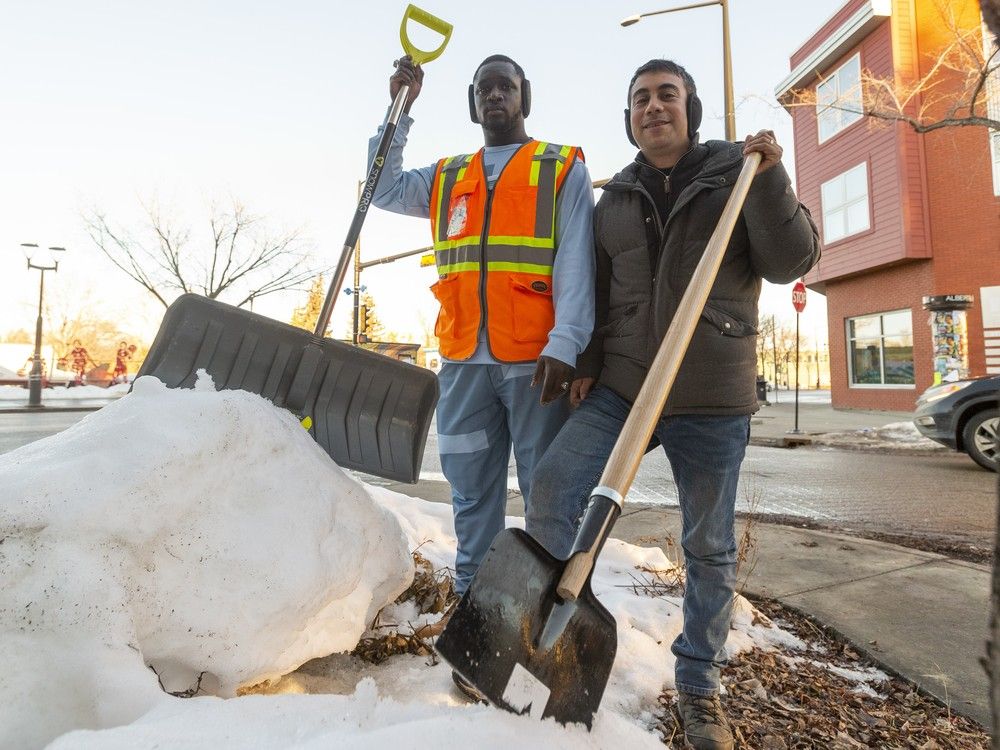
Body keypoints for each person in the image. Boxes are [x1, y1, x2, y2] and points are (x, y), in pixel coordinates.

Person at [524, 59, 820, 750]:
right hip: (626, 385)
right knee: (552, 484)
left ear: (691, 109)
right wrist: (590, 366)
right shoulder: (616, 199)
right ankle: (552, 639)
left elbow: (791, 259)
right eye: (639, 100)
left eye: (666, 96)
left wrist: (770, 176)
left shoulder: (736, 174)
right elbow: (597, 290)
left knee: (708, 545)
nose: (653, 107)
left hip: (710, 393)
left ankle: (699, 686)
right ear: (629, 118)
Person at [370, 55, 596, 605]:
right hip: (463, 362)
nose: (495, 95)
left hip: (536, 364)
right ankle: (474, 603)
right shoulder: (448, 177)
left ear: (526, 97)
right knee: (471, 493)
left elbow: (576, 264)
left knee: (546, 493)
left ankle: (537, 607)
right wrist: (398, 110)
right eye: (484, 88)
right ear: (473, 103)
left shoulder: (560, 167)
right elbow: (382, 187)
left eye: (506, 86)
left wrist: (567, 343)